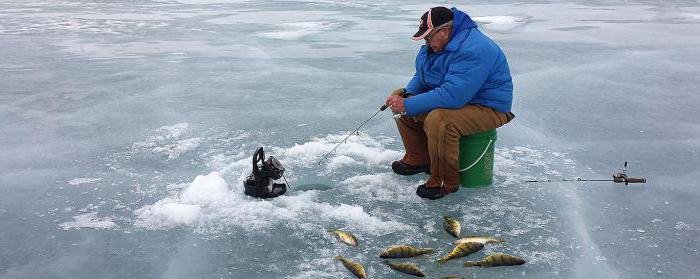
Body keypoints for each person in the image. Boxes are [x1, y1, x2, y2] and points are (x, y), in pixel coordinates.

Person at [385, 6, 515, 200]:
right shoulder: (438, 46)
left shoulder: (474, 49)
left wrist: (408, 105)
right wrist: (406, 96)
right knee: (404, 98)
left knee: (440, 120)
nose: (427, 43)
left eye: (428, 38)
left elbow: (454, 96)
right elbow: (422, 76)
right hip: (462, 102)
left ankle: (445, 181)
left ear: (444, 31)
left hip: (488, 107)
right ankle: (419, 158)